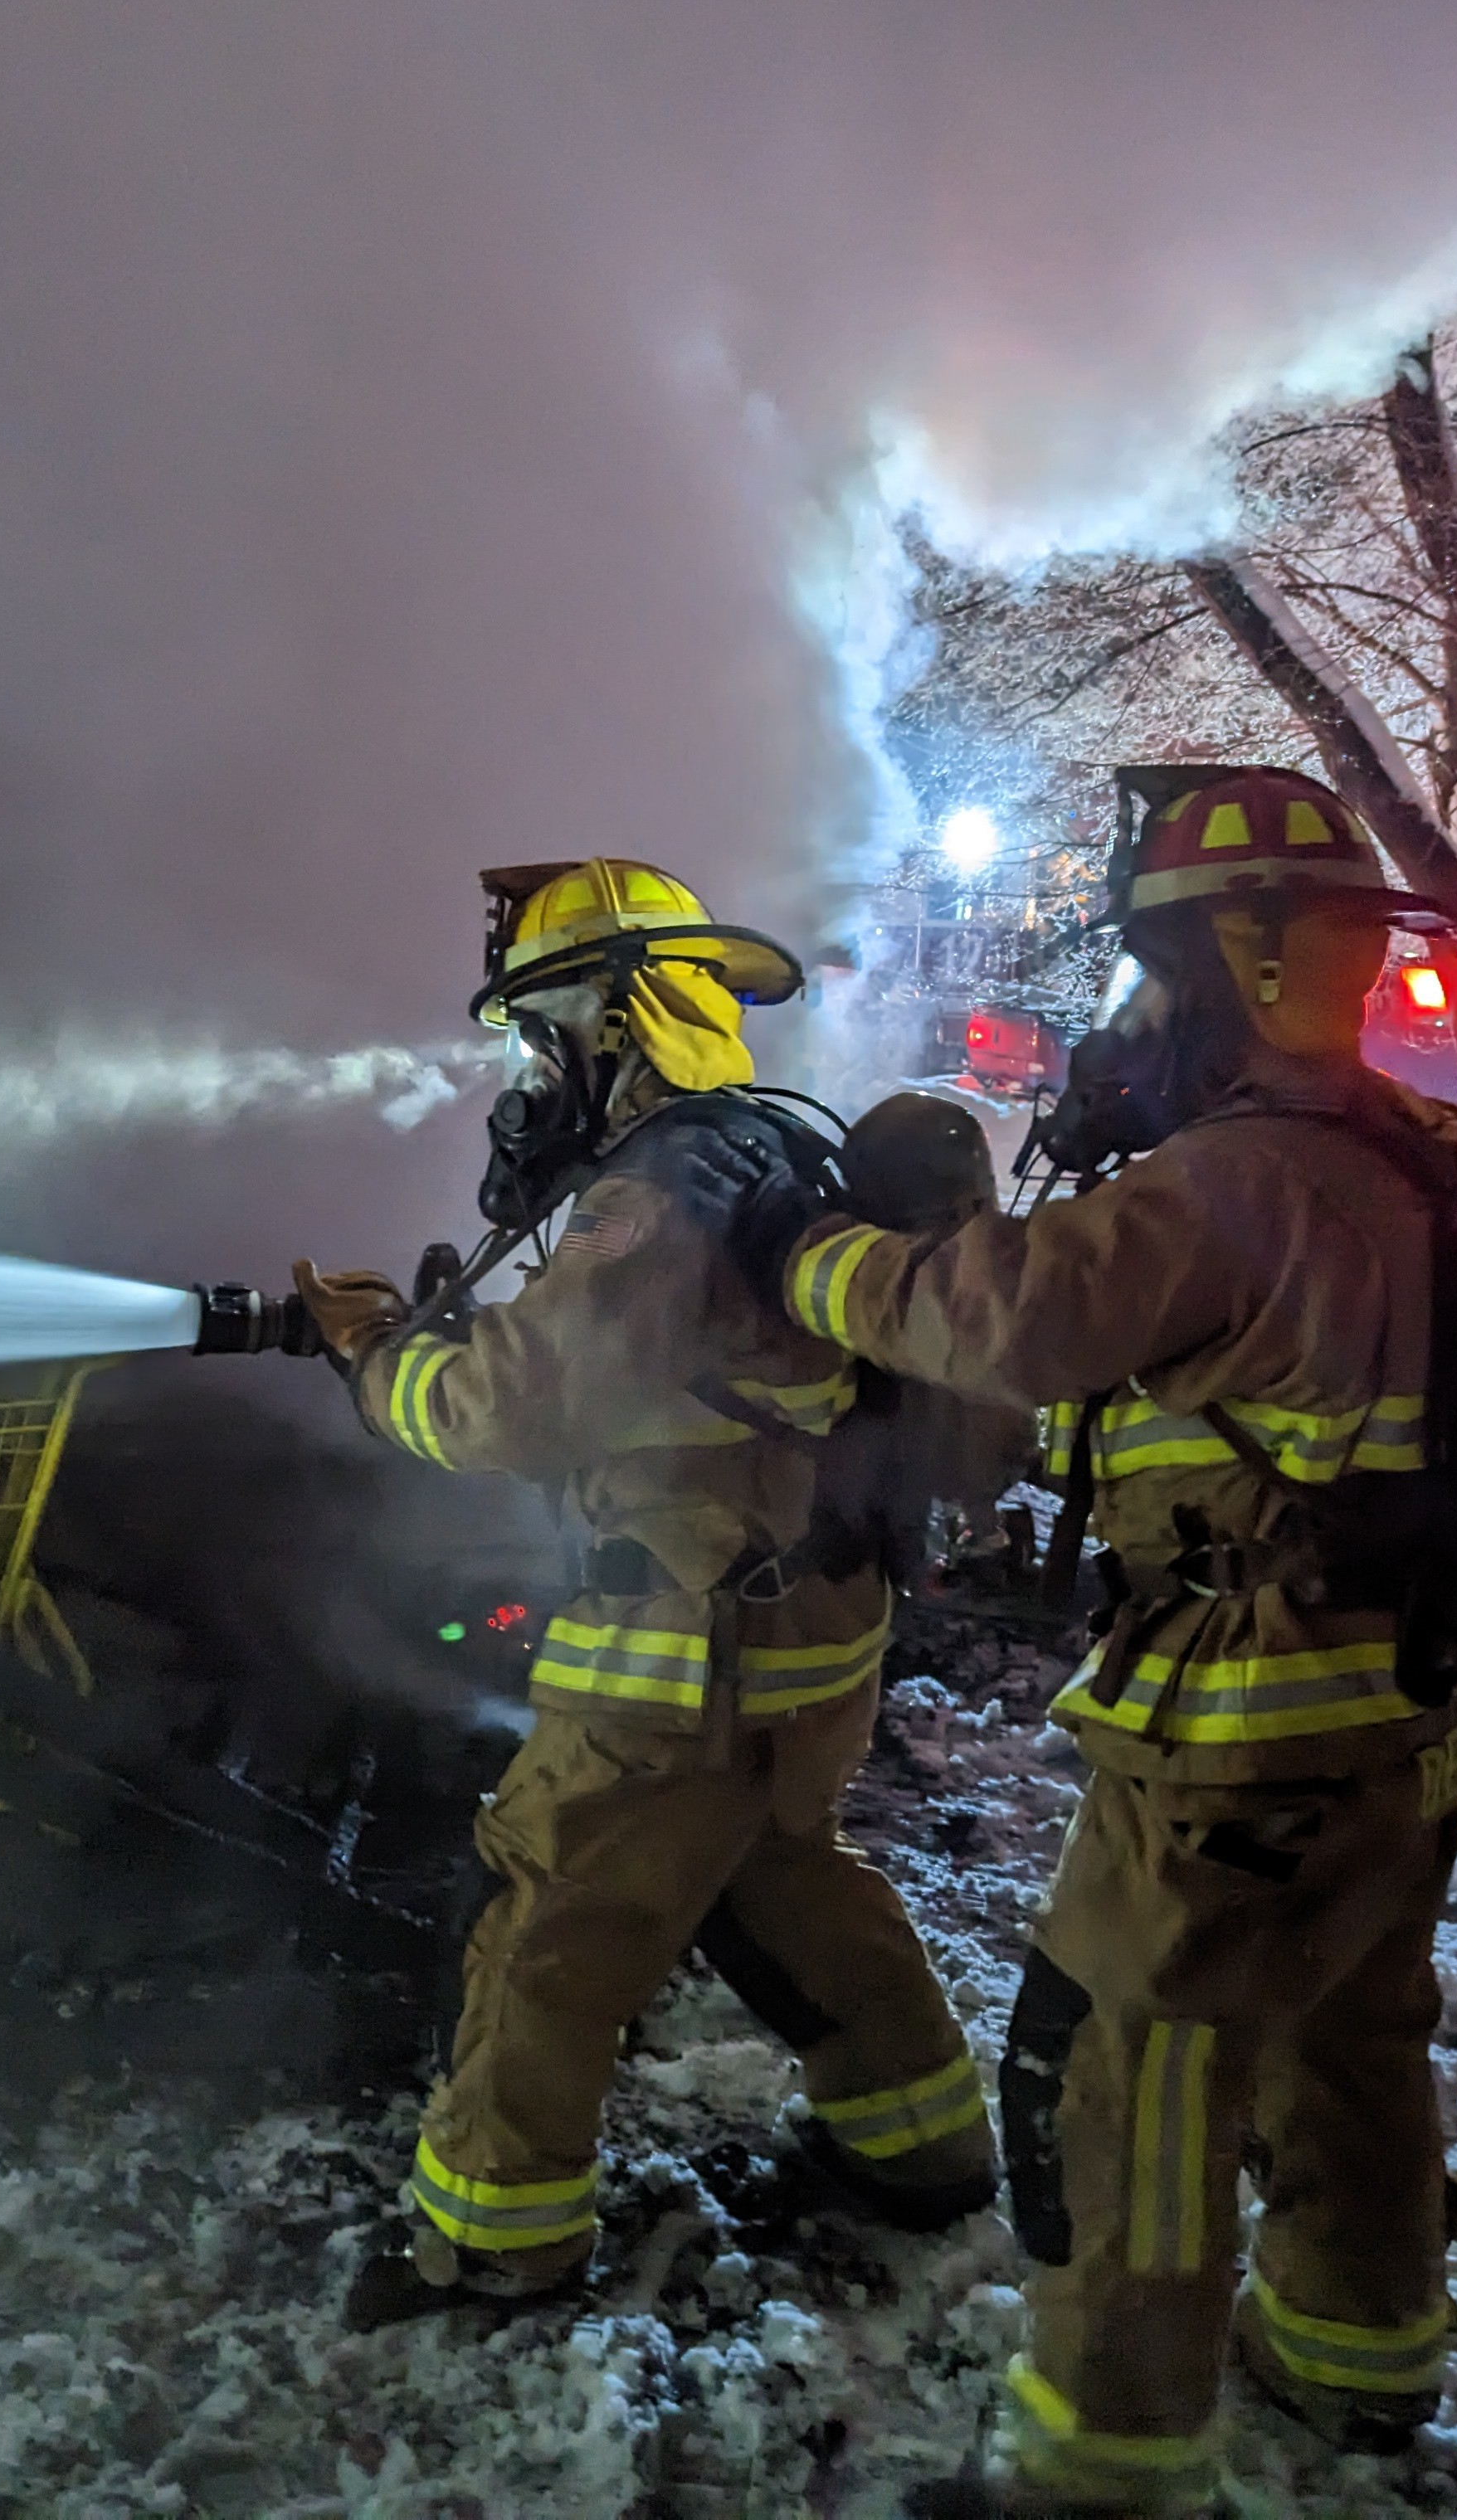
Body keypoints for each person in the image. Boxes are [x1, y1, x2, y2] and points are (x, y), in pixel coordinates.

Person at [704, 770, 1457, 2513]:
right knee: (1352, 2030)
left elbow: (996, 1317)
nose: (1124, 1022)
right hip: (1408, 1713)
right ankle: (1358, 2355)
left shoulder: (1237, 1182)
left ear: (1238, 961)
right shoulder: (1420, 1157)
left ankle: (1104, 2455)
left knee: (1129, 2067)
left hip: (1238, 1722)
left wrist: (810, 1258)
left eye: (1146, 978)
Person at [294, 857, 999, 2330]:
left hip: (684, 1647)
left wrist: (377, 1356)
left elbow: (500, 1413)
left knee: (549, 1917)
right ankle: (921, 2142)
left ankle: (495, 2245)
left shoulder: (657, 1191)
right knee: (784, 1875)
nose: (527, 1074)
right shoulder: (764, 1158)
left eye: (540, 1036)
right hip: (809, 1639)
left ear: (615, 1024)